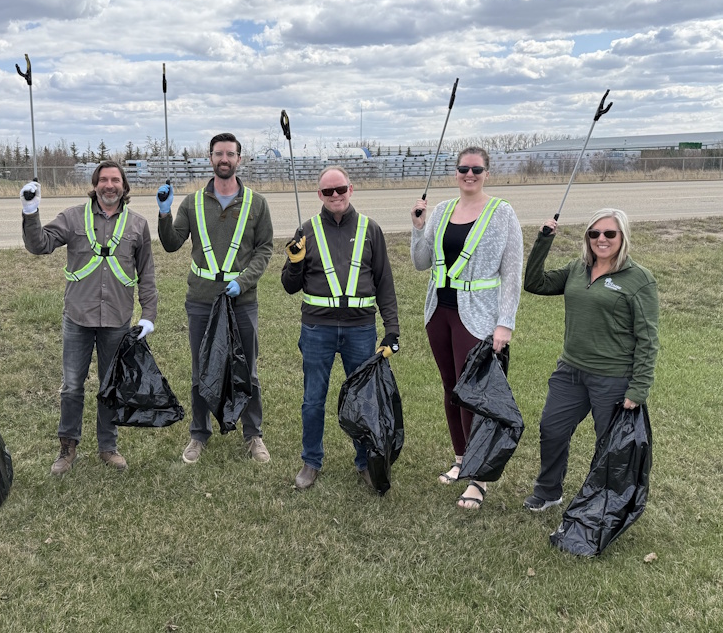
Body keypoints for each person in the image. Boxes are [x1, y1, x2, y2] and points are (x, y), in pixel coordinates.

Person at [21, 160, 157, 474]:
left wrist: (148, 314)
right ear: (94, 185)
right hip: (78, 319)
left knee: (109, 387)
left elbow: (146, 274)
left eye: (116, 180)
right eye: (103, 180)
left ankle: (108, 447)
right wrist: (30, 211)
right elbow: (39, 245)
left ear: (124, 187)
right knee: (71, 387)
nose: (110, 185)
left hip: (117, 320)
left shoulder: (137, 225)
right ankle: (67, 449)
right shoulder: (72, 217)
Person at [521, 208, 659, 512]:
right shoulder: (577, 268)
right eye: (594, 233)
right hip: (570, 371)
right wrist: (544, 240)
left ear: (622, 237)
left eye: (610, 233)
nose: (602, 239)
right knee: (552, 429)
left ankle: (605, 503)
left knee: (609, 446)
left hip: (612, 378)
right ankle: (548, 491)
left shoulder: (639, 280)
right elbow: (535, 283)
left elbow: (648, 340)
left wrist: (638, 389)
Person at [411, 146, 523, 509]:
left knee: (474, 393)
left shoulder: (502, 213)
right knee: (451, 387)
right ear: (456, 172)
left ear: (486, 173)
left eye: (476, 169)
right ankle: (460, 459)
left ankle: (478, 477)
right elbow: (421, 262)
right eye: (463, 169)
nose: (469, 174)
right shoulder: (442, 211)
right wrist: (417, 229)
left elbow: (512, 274)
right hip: (439, 312)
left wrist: (504, 324)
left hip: (477, 316)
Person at [156, 132, 273, 464]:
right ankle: (198, 434)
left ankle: (253, 436)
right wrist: (164, 214)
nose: (224, 159)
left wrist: (245, 281)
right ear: (210, 158)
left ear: (239, 159)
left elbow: (265, 249)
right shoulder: (191, 203)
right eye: (218, 153)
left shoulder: (257, 204)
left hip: (242, 301)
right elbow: (171, 243)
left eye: (230, 154)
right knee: (200, 369)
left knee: (246, 369)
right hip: (201, 299)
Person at [281, 166, 400, 490]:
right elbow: (289, 286)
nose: (335, 196)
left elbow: (384, 283)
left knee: (363, 400)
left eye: (341, 189)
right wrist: (294, 263)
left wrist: (392, 331)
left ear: (351, 189)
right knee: (312, 400)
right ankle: (311, 461)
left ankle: (364, 462)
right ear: (319, 195)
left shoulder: (369, 229)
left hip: (360, 330)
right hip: (317, 329)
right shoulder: (306, 230)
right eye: (328, 191)